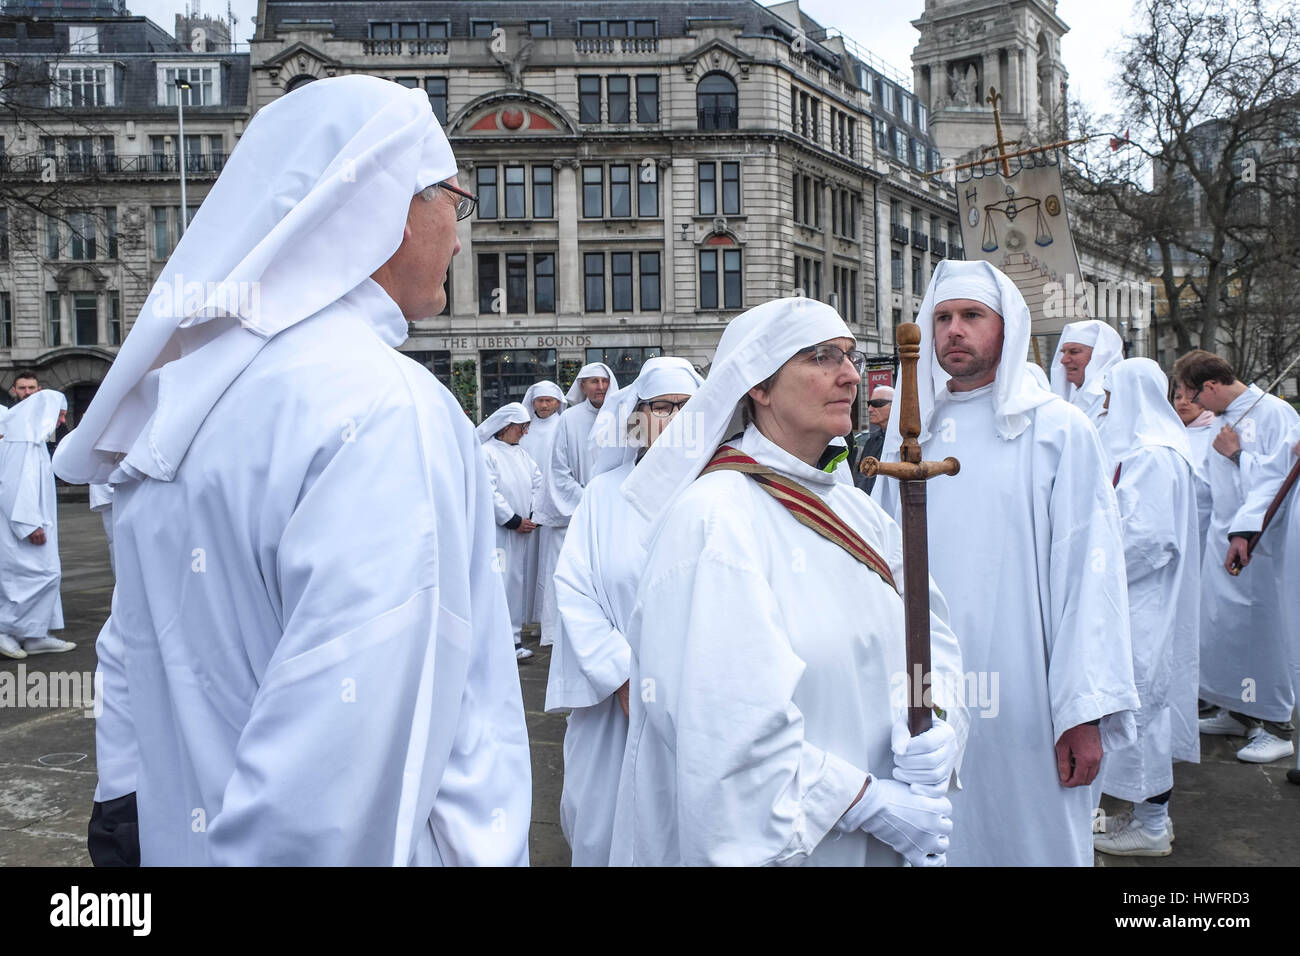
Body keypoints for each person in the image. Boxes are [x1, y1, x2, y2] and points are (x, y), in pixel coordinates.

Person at [51, 75, 532, 865]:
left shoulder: (180, 401)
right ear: (391, 202)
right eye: (455, 198)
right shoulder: (382, 406)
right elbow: (338, 775)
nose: (458, 233)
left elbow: (130, 670)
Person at [610, 297, 968, 867]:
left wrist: (937, 718)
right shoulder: (714, 520)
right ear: (759, 385)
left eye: (850, 356)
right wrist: (866, 803)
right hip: (804, 846)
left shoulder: (858, 510)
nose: (850, 375)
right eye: (822, 357)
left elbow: (931, 632)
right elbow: (725, 729)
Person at [875, 260, 1139, 867]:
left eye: (971, 316)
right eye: (942, 317)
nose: (953, 331)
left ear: (1007, 328)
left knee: (1026, 837)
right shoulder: (911, 436)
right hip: (924, 687)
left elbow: (1089, 579)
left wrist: (1083, 713)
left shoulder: (1056, 431)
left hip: (1028, 695)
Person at [545, 356, 703, 866]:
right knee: (601, 824)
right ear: (636, 418)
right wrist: (621, 677)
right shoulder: (601, 496)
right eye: (661, 407)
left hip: (697, 697)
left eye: (685, 407)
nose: (674, 419)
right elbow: (575, 588)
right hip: (615, 706)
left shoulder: (719, 492)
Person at [1092, 359, 1200, 857]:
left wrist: (1087, 564)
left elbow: (1148, 540)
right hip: (1139, 603)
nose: (1107, 403)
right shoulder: (1153, 451)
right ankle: (1145, 816)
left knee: (1142, 713)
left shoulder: (1154, 456)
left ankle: (1152, 824)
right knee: (1139, 710)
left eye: (1112, 393)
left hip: (1141, 606)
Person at [1174, 350, 1298, 764]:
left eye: (1194, 395)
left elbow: (1282, 481)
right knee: (1222, 630)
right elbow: (1208, 488)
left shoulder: (1276, 414)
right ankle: (1237, 709)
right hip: (1221, 541)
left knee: (1260, 635)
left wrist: (1238, 456)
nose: (1194, 405)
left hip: (1261, 546)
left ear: (1210, 386)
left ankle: (1277, 725)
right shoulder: (1224, 421)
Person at [533, 363, 618, 642]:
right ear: (582, 386)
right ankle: (563, 634)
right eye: (593, 382)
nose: (600, 387)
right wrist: (586, 499)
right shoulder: (568, 419)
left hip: (611, 514)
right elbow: (558, 468)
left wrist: (607, 499)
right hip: (572, 514)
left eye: (604, 381)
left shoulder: (622, 416)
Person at [0, 390, 72, 659]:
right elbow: (14, 487)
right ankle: (5, 630)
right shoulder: (21, 442)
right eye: (60, 414)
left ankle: (34, 634)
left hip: (34, 523)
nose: (61, 421)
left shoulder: (33, 440)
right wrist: (29, 525)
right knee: (33, 577)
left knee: (40, 576)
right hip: (25, 526)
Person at [478, 401, 543, 660]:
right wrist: (513, 520)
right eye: (522, 427)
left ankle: (514, 638)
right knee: (500, 584)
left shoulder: (523, 455)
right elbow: (489, 491)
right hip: (499, 532)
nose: (525, 432)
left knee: (516, 585)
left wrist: (533, 516)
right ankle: (496, 640)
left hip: (521, 532)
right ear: (507, 426)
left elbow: (538, 484)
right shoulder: (486, 453)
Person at [518, 381, 567, 640]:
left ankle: (548, 618)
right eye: (540, 400)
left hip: (555, 504)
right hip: (527, 504)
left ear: (558, 401)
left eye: (549, 400)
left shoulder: (564, 424)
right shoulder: (524, 429)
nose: (545, 405)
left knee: (550, 560)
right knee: (528, 562)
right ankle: (526, 617)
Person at [1050, 319, 1125, 425]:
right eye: (1063, 352)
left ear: (1099, 357)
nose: (1063, 360)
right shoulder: (1072, 396)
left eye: (1074, 352)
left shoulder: (1113, 401)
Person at [854, 385, 893, 494]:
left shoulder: (905, 441)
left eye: (877, 404)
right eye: (869, 404)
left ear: (894, 405)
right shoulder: (872, 441)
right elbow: (862, 474)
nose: (870, 409)